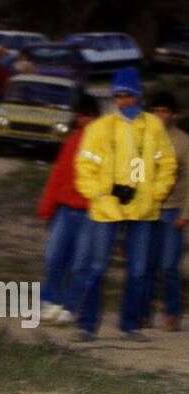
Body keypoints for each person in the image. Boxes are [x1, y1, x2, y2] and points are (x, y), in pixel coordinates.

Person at [71, 68, 176, 343]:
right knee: (97, 267)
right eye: (118, 95)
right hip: (106, 211)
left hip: (142, 210)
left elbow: (167, 163)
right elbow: (84, 167)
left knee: (138, 270)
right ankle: (86, 325)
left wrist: (155, 193)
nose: (123, 100)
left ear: (138, 95)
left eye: (128, 95)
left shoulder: (153, 126)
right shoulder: (99, 128)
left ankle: (130, 326)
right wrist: (102, 193)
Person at [36, 94, 99, 326]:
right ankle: (54, 301)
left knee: (81, 263)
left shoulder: (104, 143)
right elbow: (58, 175)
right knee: (53, 256)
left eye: (88, 116)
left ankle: (70, 307)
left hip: (89, 212)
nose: (84, 120)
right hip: (64, 209)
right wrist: (47, 206)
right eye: (80, 116)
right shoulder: (71, 141)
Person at [144, 91, 189, 331]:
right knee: (147, 264)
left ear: (173, 115)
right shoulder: (143, 137)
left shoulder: (183, 141)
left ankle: (172, 313)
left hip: (173, 211)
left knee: (170, 265)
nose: (160, 115)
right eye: (156, 110)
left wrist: (185, 214)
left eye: (164, 111)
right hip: (147, 209)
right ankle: (145, 313)